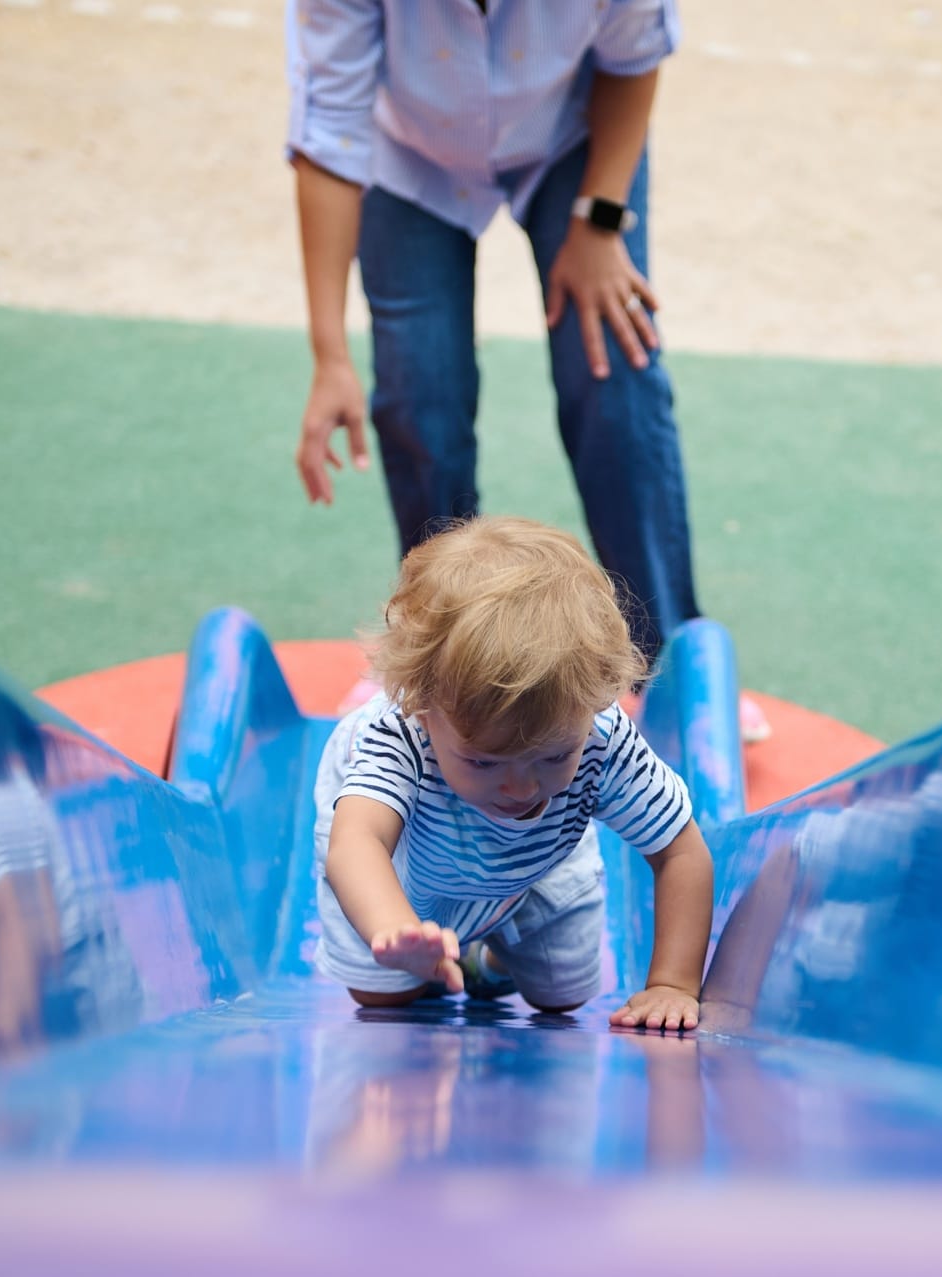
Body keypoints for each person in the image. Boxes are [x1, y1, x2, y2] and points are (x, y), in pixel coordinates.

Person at [285, 0, 708, 678]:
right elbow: (329, 136)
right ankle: (439, 660)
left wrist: (599, 222)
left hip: (571, 139)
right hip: (409, 155)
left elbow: (632, 59)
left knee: (614, 375)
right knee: (420, 396)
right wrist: (329, 356)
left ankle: (667, 658)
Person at [312, 515, 714, 1031]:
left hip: (536, 863)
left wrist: (672, 984)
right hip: (412, 868)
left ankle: (492, 957)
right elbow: (357, 843)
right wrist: (396, 930)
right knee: (384, 996)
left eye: (552, 757)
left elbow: (681, 850)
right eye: (483, 761)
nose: (522, 787)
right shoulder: (399, 734)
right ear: (422, 706)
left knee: (562, 997)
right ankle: (438, 948)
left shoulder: (597, 734)